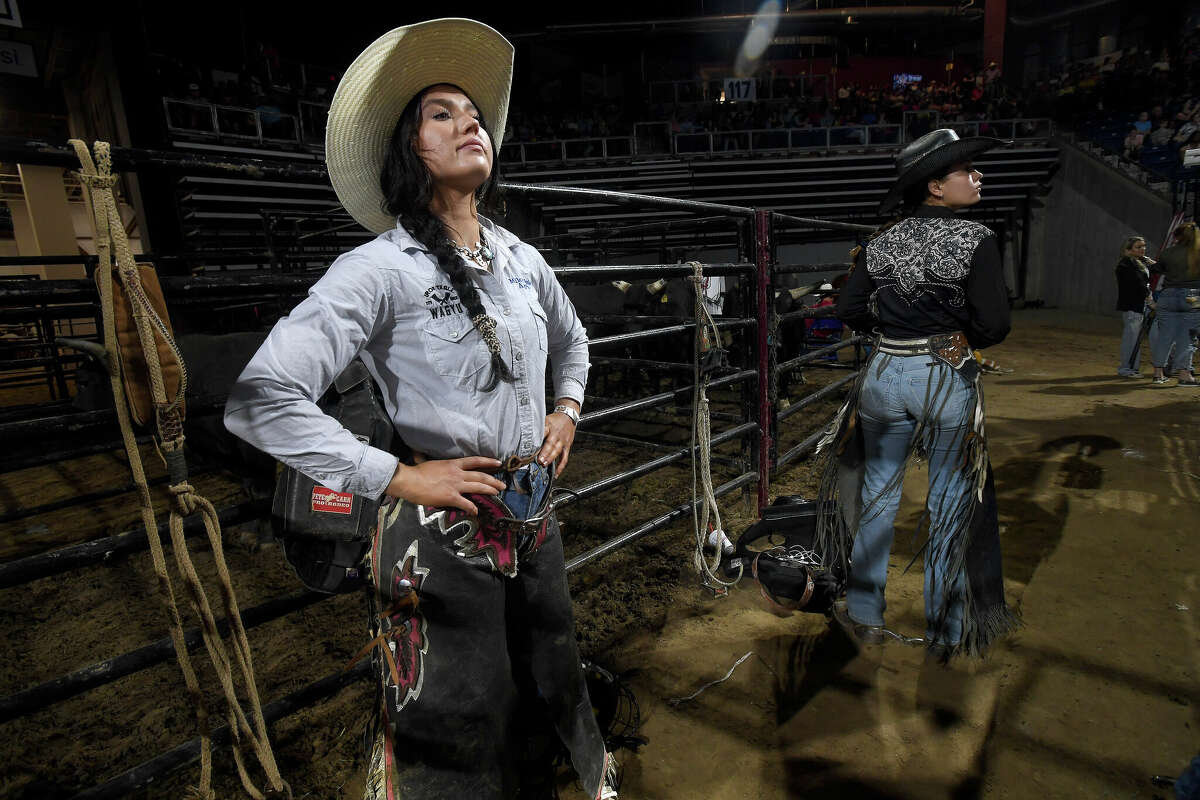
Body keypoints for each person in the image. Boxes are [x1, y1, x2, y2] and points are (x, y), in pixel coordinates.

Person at [224, 19, 617, 799]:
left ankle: (580, 775)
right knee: (459, 702)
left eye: (474, 113)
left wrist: (566, 410)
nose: (470, 122)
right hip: (443, 525)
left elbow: (573, 341)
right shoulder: (378, 270)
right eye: (443, 113)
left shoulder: (522, 258)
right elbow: (261, 399)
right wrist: (399, 477)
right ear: (411, 148)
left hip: (533, 507)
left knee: (553, 657)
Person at [816, 129, 1019, 659]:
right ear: (935, 186)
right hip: (945, 375)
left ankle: (866, 614)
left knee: (879, 495)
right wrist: (956, 335)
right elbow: (995, 325)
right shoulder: (976, 239)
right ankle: (945, 629)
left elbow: (849, 308)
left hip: (884, 373)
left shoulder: (882, 241)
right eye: (967, 171)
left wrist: (892, 330)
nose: (978, 176)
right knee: (950, 498)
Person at [1149, 221, 1200, 386]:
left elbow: (1157, 269)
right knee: (1188, 337)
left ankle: (1158, 374)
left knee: (1165, 336)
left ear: (1177, 236)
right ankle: (1184, 375)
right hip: (1192, 297)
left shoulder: (1168, 252)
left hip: (1168, 295)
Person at [1114, 235, 1154, 377]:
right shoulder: (1127, 265)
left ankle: (1130, 367)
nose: (1143, 249)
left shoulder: (1138, 262)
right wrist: (1150, 301)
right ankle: (1127, 368)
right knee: (1131, 338)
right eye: (1138, 247)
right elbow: (1139, 285)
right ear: (1128, 249)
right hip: (1134, 306)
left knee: (1134, 338)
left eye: (1144, 246)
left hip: (1139, 306)